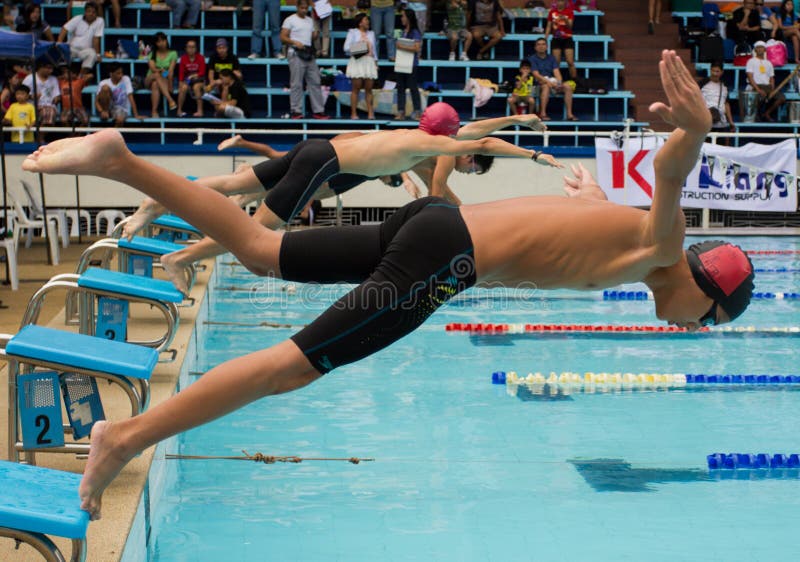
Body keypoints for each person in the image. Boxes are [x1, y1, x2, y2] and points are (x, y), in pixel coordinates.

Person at [21, 51, 756, 522]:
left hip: (430, 223)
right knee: (287, 368)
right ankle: (124, 436)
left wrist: (585, 188)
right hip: (445, 262)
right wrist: (693, 130)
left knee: (257, 247)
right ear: (706, 289)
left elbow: (589, 215)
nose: (697, 331)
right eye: (710, 320)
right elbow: (668, 177)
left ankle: (122, 162)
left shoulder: (624, 236)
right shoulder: (660, 245)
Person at [125, 107, 559, 292]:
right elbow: (481, 144)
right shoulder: (431, 149)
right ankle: (180, 260)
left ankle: (155, 201)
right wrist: (533, 154)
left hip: (314, 150)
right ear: (446, 134)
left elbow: (475, 133)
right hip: (320, 168)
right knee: (253, 235)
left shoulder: (414, 136)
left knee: (229, 185)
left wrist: (520, 119)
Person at [281, 0, 328, 119]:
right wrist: (294, 42)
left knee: (315, 81)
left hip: (308, 52)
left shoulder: (310, 21)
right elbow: (283, 37)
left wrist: (316, 33)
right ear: (297, 7)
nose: (304, 10)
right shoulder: (290, 19)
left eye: (306, 8)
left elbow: (312, 36)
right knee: (296, 83)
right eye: (302, 8)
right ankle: (296, 110)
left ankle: (318, 110)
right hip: (295, 52)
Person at [529, 37, 577, 121]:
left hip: (551, 82)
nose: (541, 46)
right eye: (538, 45)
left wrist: (558, 83)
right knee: (546, 86)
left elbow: (557, 72)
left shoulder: (551, 58)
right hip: (537, 85)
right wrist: (549, 83)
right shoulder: (532, 59)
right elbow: (536, 75)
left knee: (568, 87)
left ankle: (569, 114)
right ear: (535, 47)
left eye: (543, 44)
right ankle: (543, 113)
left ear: (547, 47)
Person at [344, 13, 378, 120]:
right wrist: (361, 48)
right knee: (356, 88)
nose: (368, 21)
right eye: (365, 20)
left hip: (369, 62)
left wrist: (376, 62)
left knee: (369, 88)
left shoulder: (371, 34)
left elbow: (374, 50)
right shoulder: (353, 33)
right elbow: (346, 48)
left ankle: (370, 113)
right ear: (360, 23)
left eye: (368, 19)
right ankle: (353, 113)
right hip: (357, 61)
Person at [57, 2, 104, 77]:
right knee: (62, 51)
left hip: (87, 49)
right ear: (85, 12)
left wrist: (98, 54)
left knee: (92, 55)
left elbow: (96, 39)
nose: (91, 14)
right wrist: (59, 43)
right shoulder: (77, 18)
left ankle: (80, 77)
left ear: (96, 14)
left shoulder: (100, 21)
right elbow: (64, 29)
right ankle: (66, 75)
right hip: (73, 48)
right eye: (89, 11)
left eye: (94, 12)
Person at [394, 9, 423, 121]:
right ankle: (401, 111)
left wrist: (401, 47)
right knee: (400, 88)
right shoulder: (403, 31)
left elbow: (416, 48)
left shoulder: (415, 32)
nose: (401, 18)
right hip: (401, 63)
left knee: (413, 88)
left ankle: (417, 111)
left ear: (408, 18)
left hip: (411, 64)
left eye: (403, 16)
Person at [746, 40, 785, 121]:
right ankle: (756, 114)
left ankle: (767, 113)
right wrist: (758, 89)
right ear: (755, 50)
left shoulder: (768, 63)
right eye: (758, 48)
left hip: (767, 86)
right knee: (761, 95)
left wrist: (772, 89)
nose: (760, 49)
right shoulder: (751, 61)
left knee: (781, 98)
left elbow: (772, 78)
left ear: (765, 50)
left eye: (762, 48)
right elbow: (750, 77)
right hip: (756, 86)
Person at [22, 61, 59, 140]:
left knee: (49, 112)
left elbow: (57, 95)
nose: (51, 71)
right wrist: (32, 96)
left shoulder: (53, 79)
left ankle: (40, 138)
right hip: (31, 105)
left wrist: (57, 98)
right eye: (48, 68)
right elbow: (21, 93)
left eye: (51, 69)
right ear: (41, 67)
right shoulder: (30, 78)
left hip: (48, 105)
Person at [699, 62, 735, 144]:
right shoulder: (702, 83)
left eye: (717, 71)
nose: (715, 74)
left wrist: (731, 121)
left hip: (722, 123)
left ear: (722, 72)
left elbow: (726, 104)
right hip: (706, 123)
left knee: (722, 150)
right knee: (706, 150)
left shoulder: (724, 85)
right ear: (710, 70)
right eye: (713, 71)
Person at [145, 32, 178, 118]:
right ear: (156, 43)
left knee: (155, 84)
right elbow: (152, 69)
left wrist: (169, 81)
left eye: (163, 40)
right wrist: (160, 70)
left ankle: (154, 111)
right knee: (156, 74)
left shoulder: (173, 53)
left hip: (164, 79)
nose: (162, 43)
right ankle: (170, 100)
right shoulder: (152, 54)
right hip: (150, 78)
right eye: (159, 41)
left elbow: (171, 71)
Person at [546, 0, 576, 79]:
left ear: (565, 2)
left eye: (562, 1)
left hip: (567, 39)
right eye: (558, 1)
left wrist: (565, 19)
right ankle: (557, 82)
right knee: (556, 63)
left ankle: (575, 81)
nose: (560, 3)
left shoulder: (570, 12)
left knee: (570, 62)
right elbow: (549, 26)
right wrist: (545, 38)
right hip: (556, 39)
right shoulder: (552, 12)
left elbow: (570, 27)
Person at [177, 40, 206, 118]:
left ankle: (200, 111)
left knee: (196, 87)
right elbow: (181, 73)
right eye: (189, 47)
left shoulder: (201, 57)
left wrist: (193, 76)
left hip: (199, 80)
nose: (191, 49)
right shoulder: (183, 58)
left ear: (196, 48)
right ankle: (179, 110)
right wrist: (180, 82)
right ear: (186, 48)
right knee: (183, 88)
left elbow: (202, 72)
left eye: (193, 47)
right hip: (188, 81)